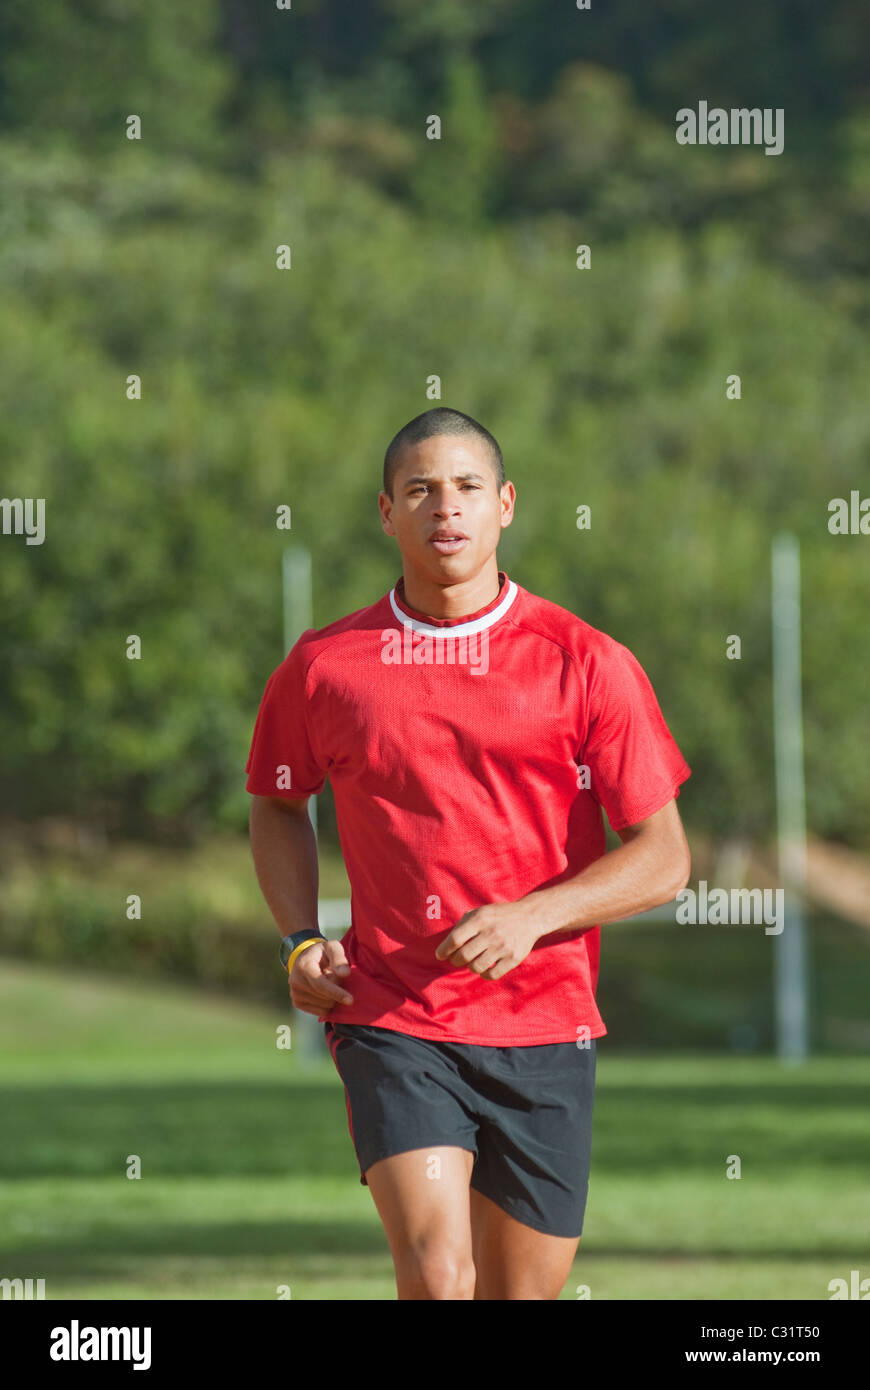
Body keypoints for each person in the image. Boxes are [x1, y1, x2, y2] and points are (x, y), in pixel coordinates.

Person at [246, 406, 692, 1300]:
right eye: (419, 490)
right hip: (394, 1014)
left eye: (466, 487)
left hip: (546, 1029)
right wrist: (301, 938)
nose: (444, 508)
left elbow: (664, 858)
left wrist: (535, 916)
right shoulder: (325, 666)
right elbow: (277, 803)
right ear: (386, 513)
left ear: (506, 505)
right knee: (438, 1274)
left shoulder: (588, 661)